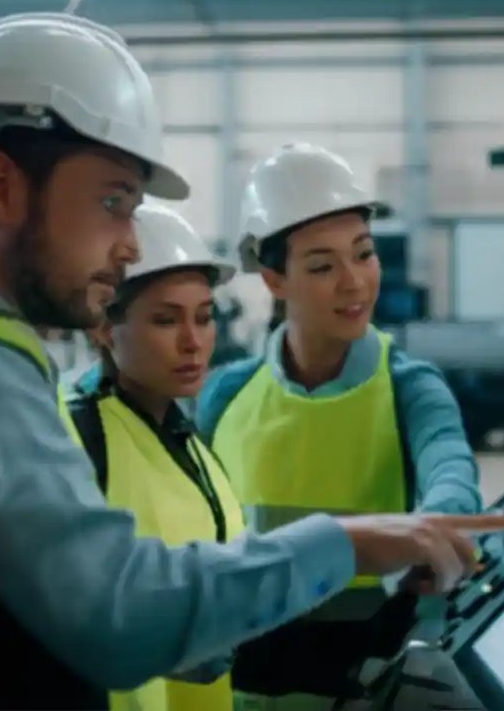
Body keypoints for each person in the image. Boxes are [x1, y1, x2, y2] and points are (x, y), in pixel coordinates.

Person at [0, 12, 504, 711]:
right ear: (1, 187)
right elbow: (116, 611)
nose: (130, 246)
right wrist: (346, 545)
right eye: (113, 202)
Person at [196, 142, 485, 708]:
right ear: (274, 279)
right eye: (323, 266)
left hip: (365, 687)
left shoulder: (410, 387)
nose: (355, 282)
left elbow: (450, 464)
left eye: (363, 254)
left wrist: (440, 525)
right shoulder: (224, 398)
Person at [67, 204, 242, 711]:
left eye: (204, 318)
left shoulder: (189, 442)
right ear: (103, 328)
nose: (193, 342)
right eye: (166, 320)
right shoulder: (78, 438)